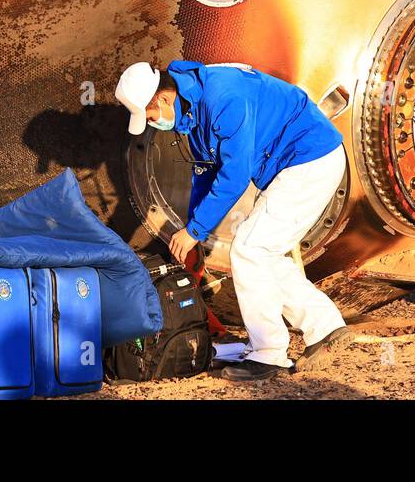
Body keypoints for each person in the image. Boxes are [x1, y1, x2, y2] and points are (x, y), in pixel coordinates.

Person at [115, 60, 352, 380]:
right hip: (292, 164)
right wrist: (192, 231)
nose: (152, 123)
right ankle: (324, 326)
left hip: (310, 158)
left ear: (164, 98)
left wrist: (195, 230)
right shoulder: (192, 108)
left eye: (151, 115)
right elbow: (204, 172)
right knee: (263, 252)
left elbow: (234, 175)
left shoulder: (224, 97)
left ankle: (269, 354)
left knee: (249, 249)